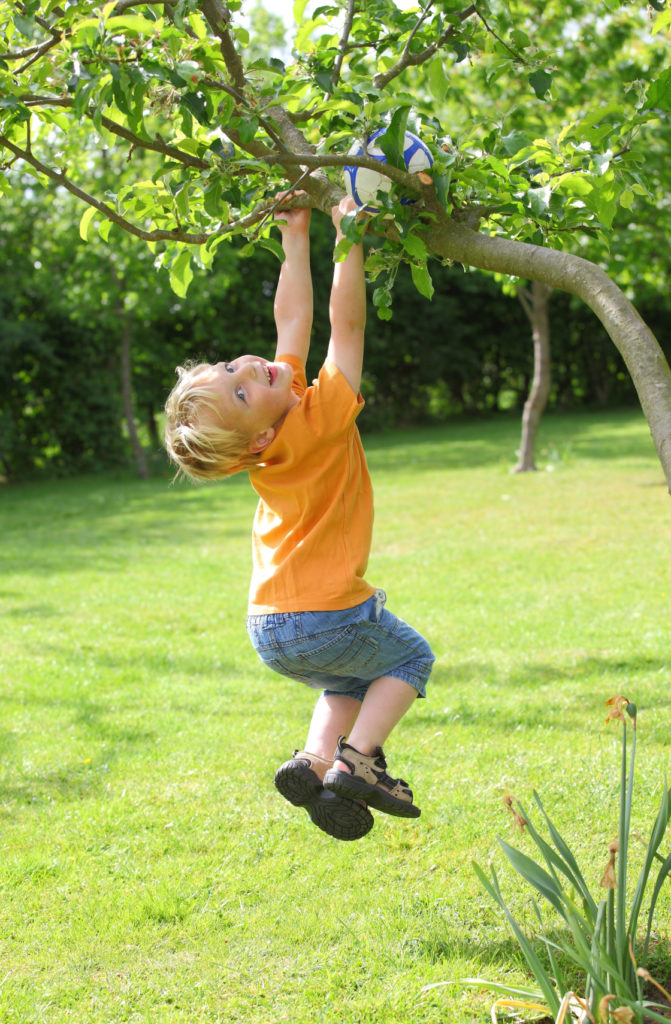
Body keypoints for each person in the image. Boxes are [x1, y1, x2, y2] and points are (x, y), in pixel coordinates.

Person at [164, 193, 435, 841]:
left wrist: (296, 236)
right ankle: (358, 761)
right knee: (408, 660)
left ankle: (312, 762)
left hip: (269, 628)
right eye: (239, 388)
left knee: (349, 682)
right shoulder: (319, 417)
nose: (252, 368)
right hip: (323, 613)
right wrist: (348, 243)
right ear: (253, 437)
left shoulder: (275, 428)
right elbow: (345, 330)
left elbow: (292, 319)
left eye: (233, 369)